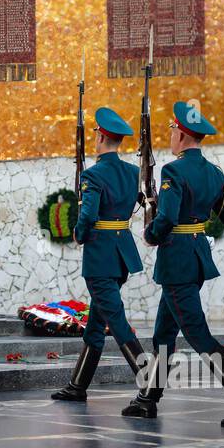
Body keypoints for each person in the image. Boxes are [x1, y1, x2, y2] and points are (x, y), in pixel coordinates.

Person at [122, 101, 224, 428]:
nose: (168, 134)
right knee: (164, 334)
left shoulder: (174, 171)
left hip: (177, 261)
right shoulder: (213, 173)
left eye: (170, 129)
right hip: (195, 260)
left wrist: (151, 234)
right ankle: (148, 398)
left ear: (180, 134)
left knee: (198, 335)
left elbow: (165, 218)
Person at [52, 107, 147, 401]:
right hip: (120, 256)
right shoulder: (133, 172)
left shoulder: (93, 176)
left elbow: (89, 214)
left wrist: (79, 234)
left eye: (96, 135)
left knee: (116, 321)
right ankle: (78, 385)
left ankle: (150, 381)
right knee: (96, 321)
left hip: (100, 257)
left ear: (102, 137)